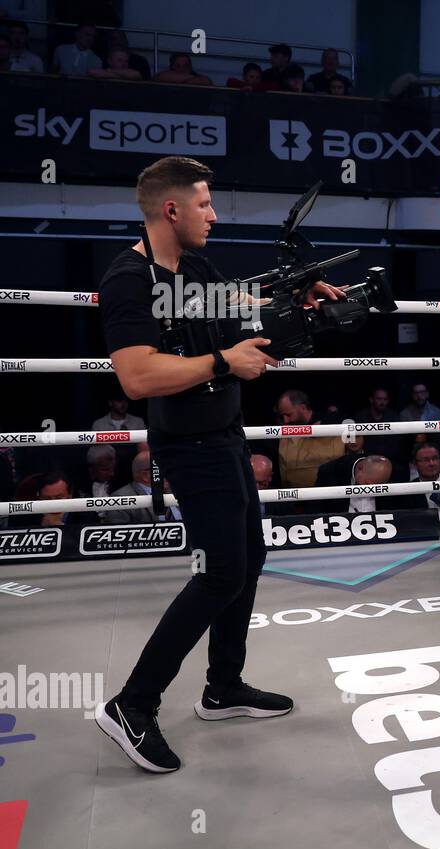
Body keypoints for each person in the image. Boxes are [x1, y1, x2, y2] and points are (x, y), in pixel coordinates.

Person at [93, 155, 343, 774]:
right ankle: (132, 703)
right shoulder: (129, 279)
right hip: (189, 445)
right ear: (170, 210)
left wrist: (292, 293)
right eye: (204, 203)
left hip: (226, 434)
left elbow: (234, 300)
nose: (214, 213)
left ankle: (222, 686)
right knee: (220, 572)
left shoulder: (195, 268)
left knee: (249, 559)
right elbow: (137, 374)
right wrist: (224, 363)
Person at [276, 389, 344, 489]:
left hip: (327, 491)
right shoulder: (283, 430)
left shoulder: (329, 420)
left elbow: (351, 421)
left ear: (303, 408)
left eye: (289, 415)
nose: (286, 420)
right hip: (294, 495)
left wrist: (325, 423)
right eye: (283, 416)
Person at [108, 451, 157, 524]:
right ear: (146, 475)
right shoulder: (120, 498)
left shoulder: (173, 490)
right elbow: (120, 532)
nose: (169, 472)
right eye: (163, 468)